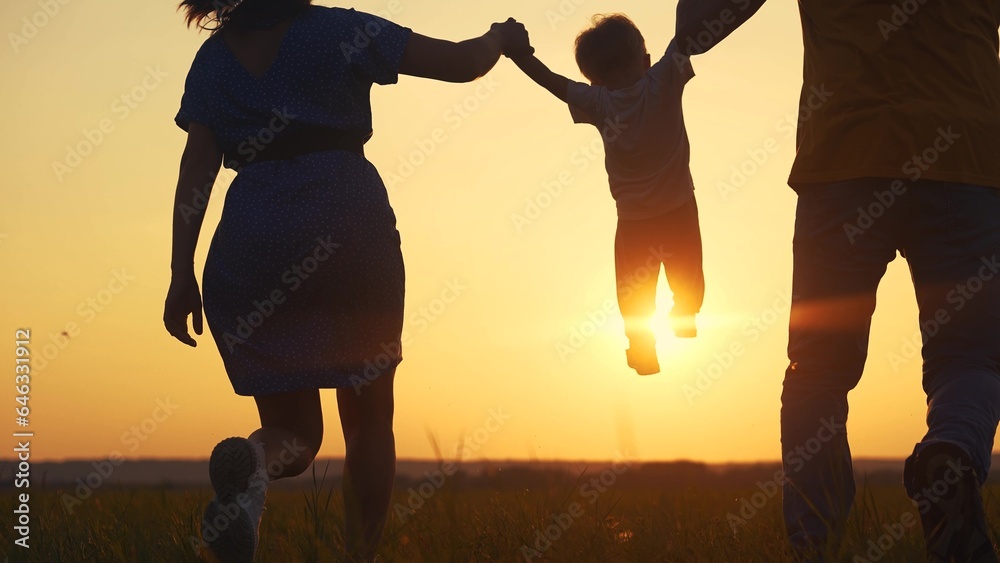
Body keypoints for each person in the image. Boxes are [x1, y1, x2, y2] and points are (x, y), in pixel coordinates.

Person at [162, 1, 527, 561]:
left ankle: (254, 468)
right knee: (369, 418)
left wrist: (180, 270)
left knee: (293, 432)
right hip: (345, 225)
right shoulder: (339, 29)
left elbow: (197, 167)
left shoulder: (213, 59)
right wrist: (499, 37)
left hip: (253, 239)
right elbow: (461, 64)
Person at [674, 0, 1000, 561]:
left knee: (818, 370)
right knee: (971, 359)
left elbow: (696, 29)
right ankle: (951, 451)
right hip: (966, 160)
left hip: (842, 165)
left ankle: (818, 545)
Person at [508, 13, 708, 376]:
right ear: (645, 59)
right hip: (679, 207)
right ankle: (686, 314)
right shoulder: (664, 78)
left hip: (633, 221)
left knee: (633, 291)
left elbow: (551, 82)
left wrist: (518, 53)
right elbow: (686, 35)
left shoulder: (598, 101)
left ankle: (641, 347)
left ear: (593, 78)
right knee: (689, 271)